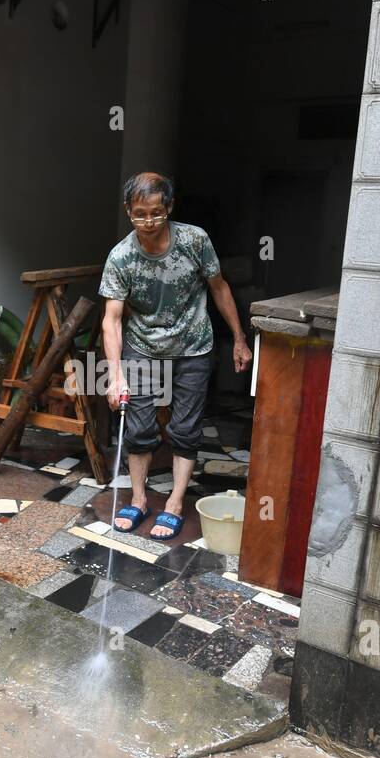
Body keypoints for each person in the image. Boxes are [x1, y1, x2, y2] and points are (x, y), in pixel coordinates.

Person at [98, 172, 252, 540]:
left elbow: (219, 287)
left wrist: (240, 338)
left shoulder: (194, 240)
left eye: (155, 213)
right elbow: (112, 320)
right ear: (127, 211)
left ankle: (175, 504)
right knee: (138, 428)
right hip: (142, 346)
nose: (148, 222)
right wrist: (115, 375)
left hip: (194, 345)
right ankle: (137, 499)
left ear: (169, 208)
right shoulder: (121, 257)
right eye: (139, 214)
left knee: (185, 428)